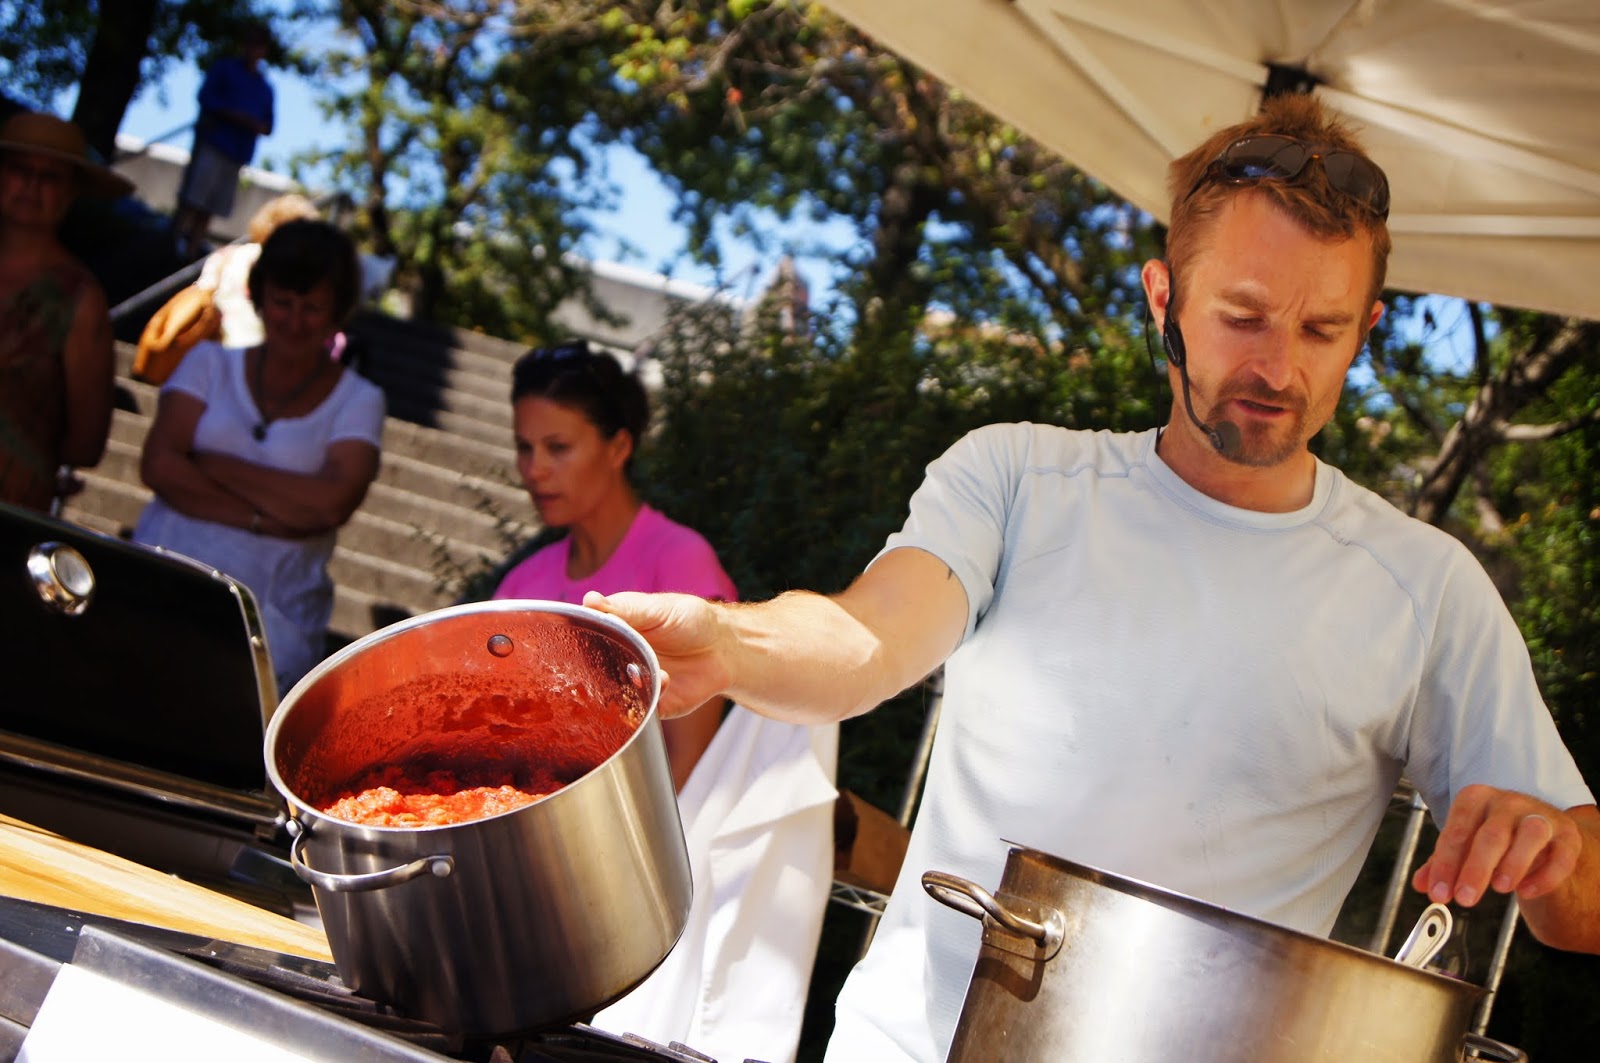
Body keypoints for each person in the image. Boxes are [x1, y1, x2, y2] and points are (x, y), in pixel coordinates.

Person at [580, 93, 1600, 1063]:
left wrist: (1551, 843)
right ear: (1164, 296)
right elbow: (864, 640)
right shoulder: (1019, 477)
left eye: (1321, 329)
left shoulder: (1426, 589)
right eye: (1241, 315)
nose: (1279, 367)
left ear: (1366, 330)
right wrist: (727, 643)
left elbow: (1580, 910)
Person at [492, 341, 837, 1063]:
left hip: (632, 891)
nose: (534, 469)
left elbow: (688, 772)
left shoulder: (678, 566)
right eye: (524, 446)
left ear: (619, 445)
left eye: (558, 445)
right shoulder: (521, 579)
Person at [134, 219, 384, 695]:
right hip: (161, 586)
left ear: (338, 313)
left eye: (311, 308)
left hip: (272, 625)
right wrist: (262, 517)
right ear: (258, 295)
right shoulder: (208, 362)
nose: (293, 321)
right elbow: (159, 465)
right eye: (282, 302)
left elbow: (331, 504)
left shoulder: (360, 398)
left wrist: (212, 464)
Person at [0, 111, 128, 512]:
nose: (32, 186)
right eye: (21, 170)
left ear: (71, 192)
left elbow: (87, 442)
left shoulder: (80, 301)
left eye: (50, 177)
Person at [171, 22, 276, 258]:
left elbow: (269, 126)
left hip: (237, 153)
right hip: (214, 143)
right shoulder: (225, 69)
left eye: (259, 44)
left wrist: (252, 124)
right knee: (192, 200)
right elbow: (206, 97)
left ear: (264, 50)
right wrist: (233, 114)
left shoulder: (265, 88)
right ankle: (170, 246)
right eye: (250, 42)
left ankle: (189, 254)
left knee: (210, 208)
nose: (253, 49)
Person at [196, 192, 319, 350]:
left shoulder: (226, 255)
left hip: (212, 351)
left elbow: (202, 295)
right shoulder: (292, 272)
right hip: (258, 361)